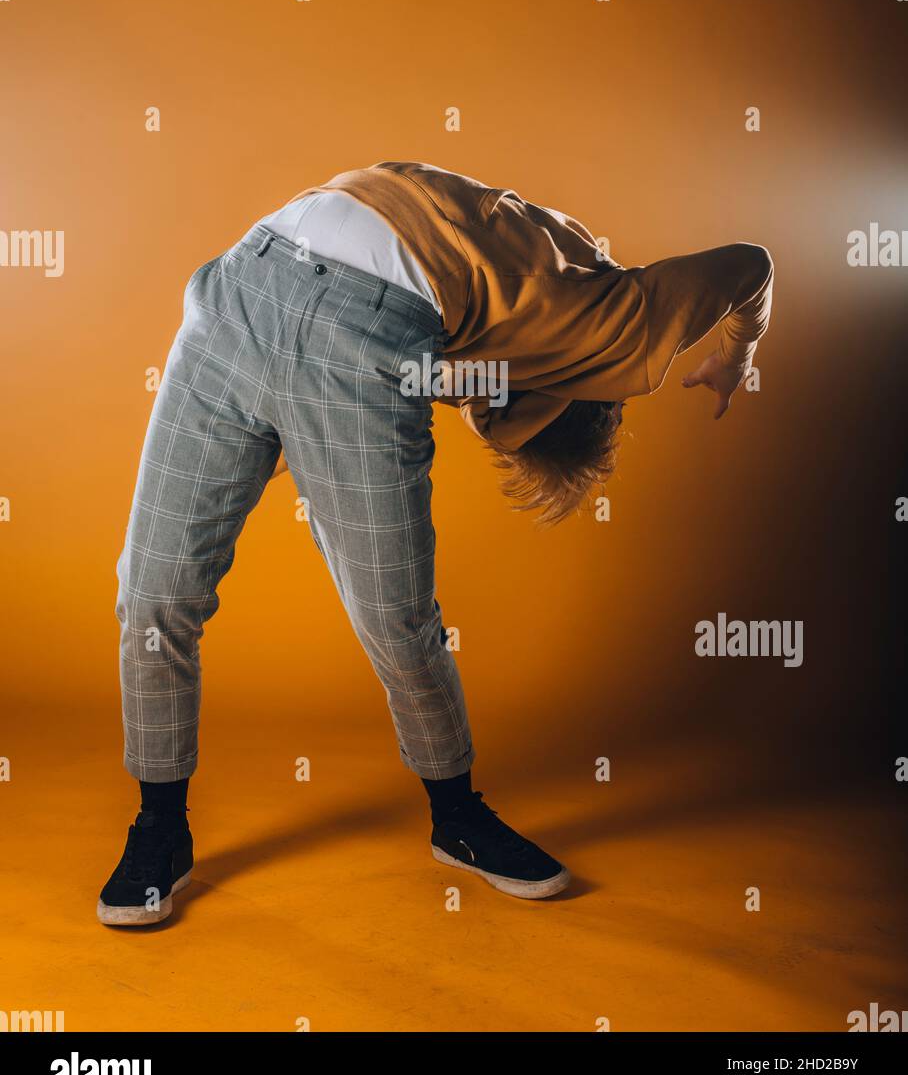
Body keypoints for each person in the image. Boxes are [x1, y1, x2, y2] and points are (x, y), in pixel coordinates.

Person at [97, 160, 774, 924]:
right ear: (578, 397)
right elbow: (753, 264)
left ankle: (458, 818)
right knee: (151, 591)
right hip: (242, 291)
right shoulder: (624, 331)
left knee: (396, 616)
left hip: (341, 325)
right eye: (514, 428)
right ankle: (160, 826)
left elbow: (428, 366)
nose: (491, 422)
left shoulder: (491, 350)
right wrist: (740, 352)